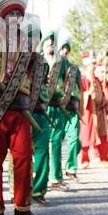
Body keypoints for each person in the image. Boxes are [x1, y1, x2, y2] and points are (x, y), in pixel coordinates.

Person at [0, 0, 38, 215]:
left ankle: (22, 205)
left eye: (19, 14)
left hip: (21, 108)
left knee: (25, 156)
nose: (15, 17)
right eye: (11, 14)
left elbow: (37, 72)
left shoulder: (28, 44)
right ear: (3, 17)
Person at [26, 21, 53, 205]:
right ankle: (20, 190)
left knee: (43, 152)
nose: (33, 41)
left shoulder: (44, 63)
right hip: (22, 112)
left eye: (37, 38)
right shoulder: (16, 59)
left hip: (40, 112)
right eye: (31, 37)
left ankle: (38, 190)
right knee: (22, 154)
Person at [44, 33, 75, 191]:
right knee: (43, 145)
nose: (51, 45)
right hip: (41, 107)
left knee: (55, 143)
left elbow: (67, 84)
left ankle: (55, 177)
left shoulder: (62, 63)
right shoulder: (38, 60)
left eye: (53, 43)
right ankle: (44, 180)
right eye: (48, 43)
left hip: (57, 107)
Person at [57, 39, 83, 180]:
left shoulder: (74, 68)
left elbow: (80, 88)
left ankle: (71, 168)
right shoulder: (53, 65)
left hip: (72, 108)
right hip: (58, 108)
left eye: (67, 49)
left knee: (74, 139)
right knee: (55, 141)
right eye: (62, 48)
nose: (65, 51)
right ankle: (54, 172)